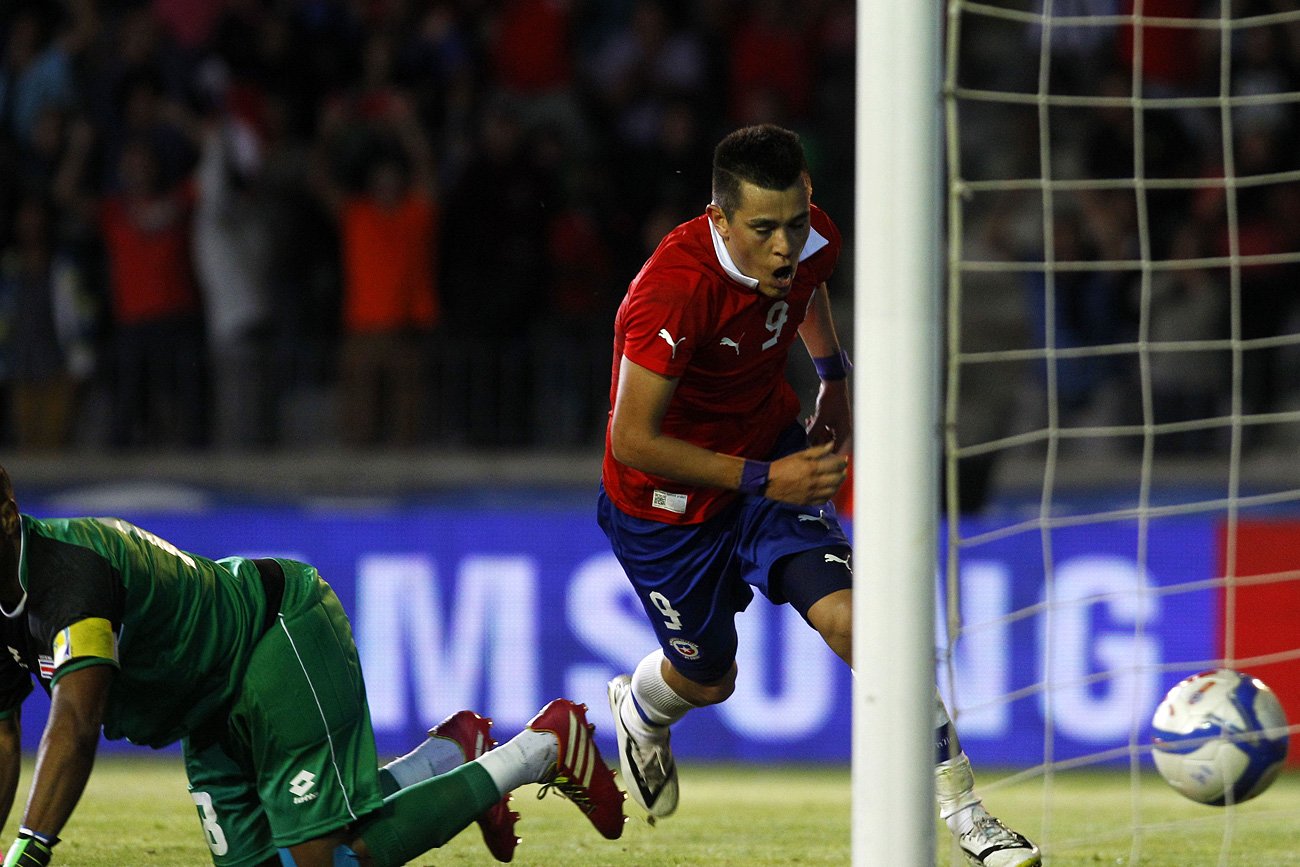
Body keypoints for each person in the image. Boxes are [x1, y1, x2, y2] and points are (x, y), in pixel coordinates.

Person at [598, 124, 1041, 867]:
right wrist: (762, 478)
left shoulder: (809, 241)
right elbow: (630, 441)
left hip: (771, 457)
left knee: (856, 621)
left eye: (795, 224)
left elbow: (808, 284)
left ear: (809, 201)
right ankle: (642, 705)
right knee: (710, 678)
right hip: (665, 508)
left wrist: (834, 373)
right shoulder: (669, 294)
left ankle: (968, 814)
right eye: (763, 230)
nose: (783, 247)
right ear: (718, 221)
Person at [0, 463, 625, 866]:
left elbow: (75, 725)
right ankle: (448, 759)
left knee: (325, 860)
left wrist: (31, 847)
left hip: (270, 641)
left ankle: (543, 747)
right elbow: (3, 734)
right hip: (209, 702)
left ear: (5, 513)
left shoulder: (68, 575)